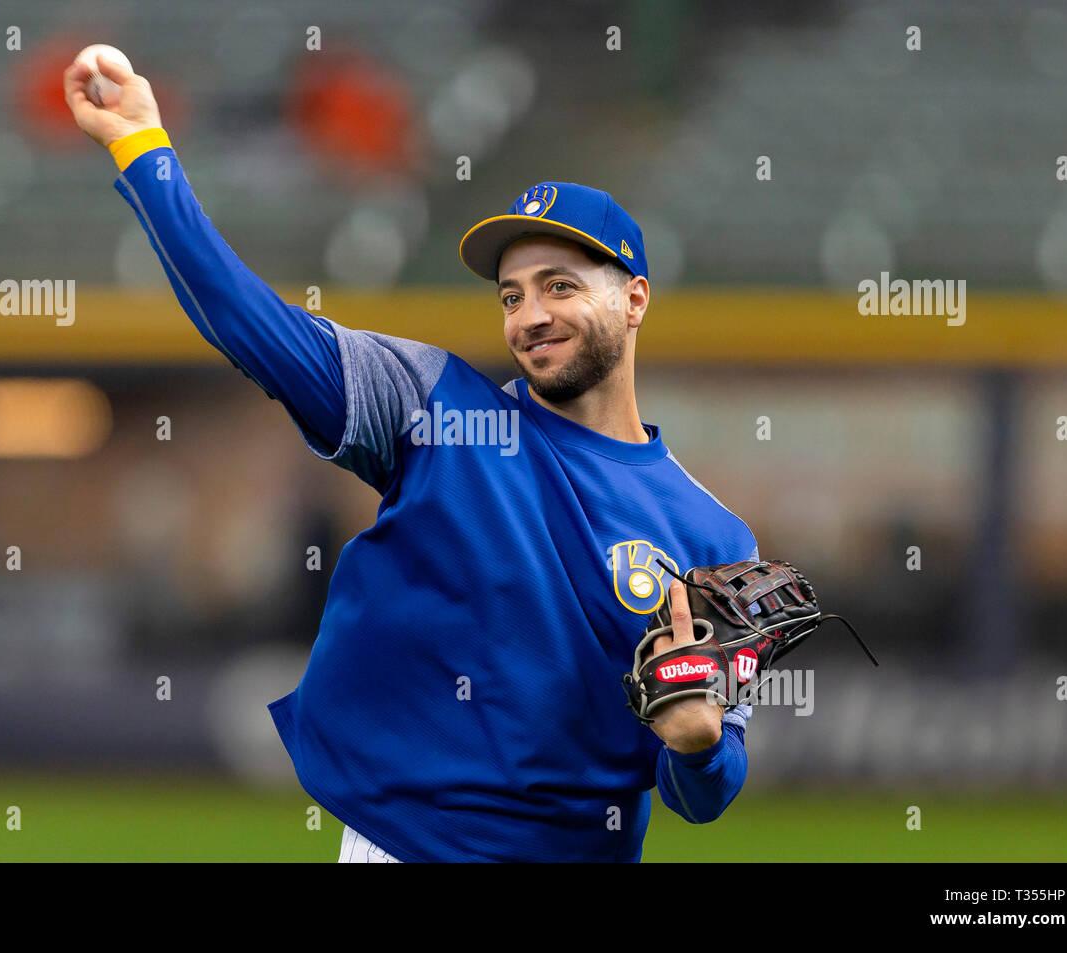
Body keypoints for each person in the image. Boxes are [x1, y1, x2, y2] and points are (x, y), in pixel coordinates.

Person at [65, 53, 759, 863]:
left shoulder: (713, 539)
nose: (530, 314)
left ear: (633, 297)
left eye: (560, 285)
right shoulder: (434, 408)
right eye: (511, 295)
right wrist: (144, 151)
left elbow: (705, 792)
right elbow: (248, 321)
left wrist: (698, 744)